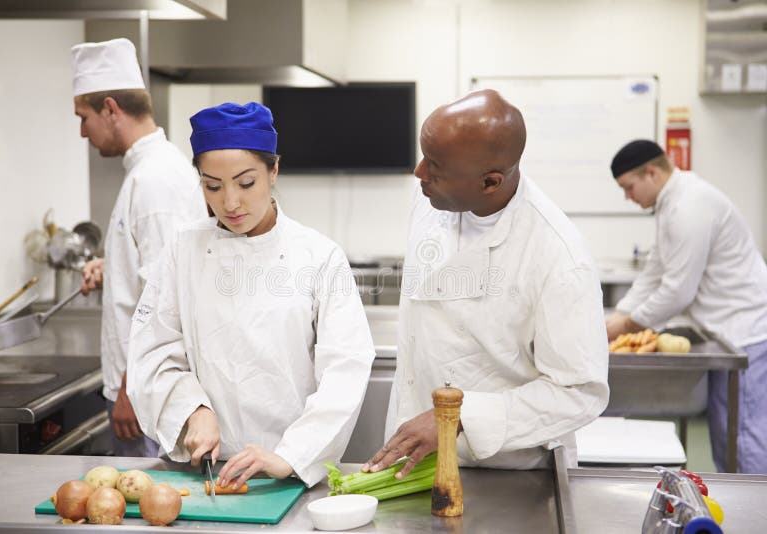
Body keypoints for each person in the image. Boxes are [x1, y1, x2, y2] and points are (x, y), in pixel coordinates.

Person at [126, 102, 375, 488]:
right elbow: (154, 351)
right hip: (201, 473)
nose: (229, 203)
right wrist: (193, 410)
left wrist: (290, 456)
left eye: (245, 183)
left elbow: (346, 369)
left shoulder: (318, 256)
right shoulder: (182, 250)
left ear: (274, 170)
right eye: (212, 186)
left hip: (289, 473)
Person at [363, 89, 609, 478]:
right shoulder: (432, 197)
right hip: (415, 454)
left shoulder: (558, 257)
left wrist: (457, 418)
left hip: (507, 470)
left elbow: (579, 393)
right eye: (424, 157)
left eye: (435, 168)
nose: (418, 173)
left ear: (490, 183)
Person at [71, 38, 205, 456]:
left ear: (110, 109)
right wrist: (113, 267)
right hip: (142, 384)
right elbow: (158, 262)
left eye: (84, 117)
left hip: (146, 392)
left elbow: (168, 295)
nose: (81, 132)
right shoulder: (149, 172)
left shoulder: (155, 181)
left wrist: (131, 388)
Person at [605, 139, 767, 473]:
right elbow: (655, 271)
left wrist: (624, 326)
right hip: (726, 329)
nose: (628, 197)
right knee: (727, 437)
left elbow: (678, 292)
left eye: (629, 187)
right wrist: (619, 314)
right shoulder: (671, 204)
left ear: (651, 172)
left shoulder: (689, 205)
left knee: (744, 437)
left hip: (746, 331)